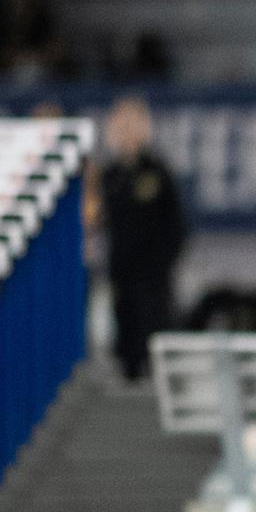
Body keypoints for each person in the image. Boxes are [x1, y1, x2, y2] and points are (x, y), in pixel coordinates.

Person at [90, 96, 189, 382]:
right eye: (121, 126)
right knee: (125, 325)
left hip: (154, 271)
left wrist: (167, 260)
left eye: (133, 125)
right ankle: (128, 372)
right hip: (122, 267)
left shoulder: (158, 172)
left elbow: (177, 223)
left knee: (156, 327)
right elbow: (97, 219)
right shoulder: (109, 175)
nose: (127, 132)